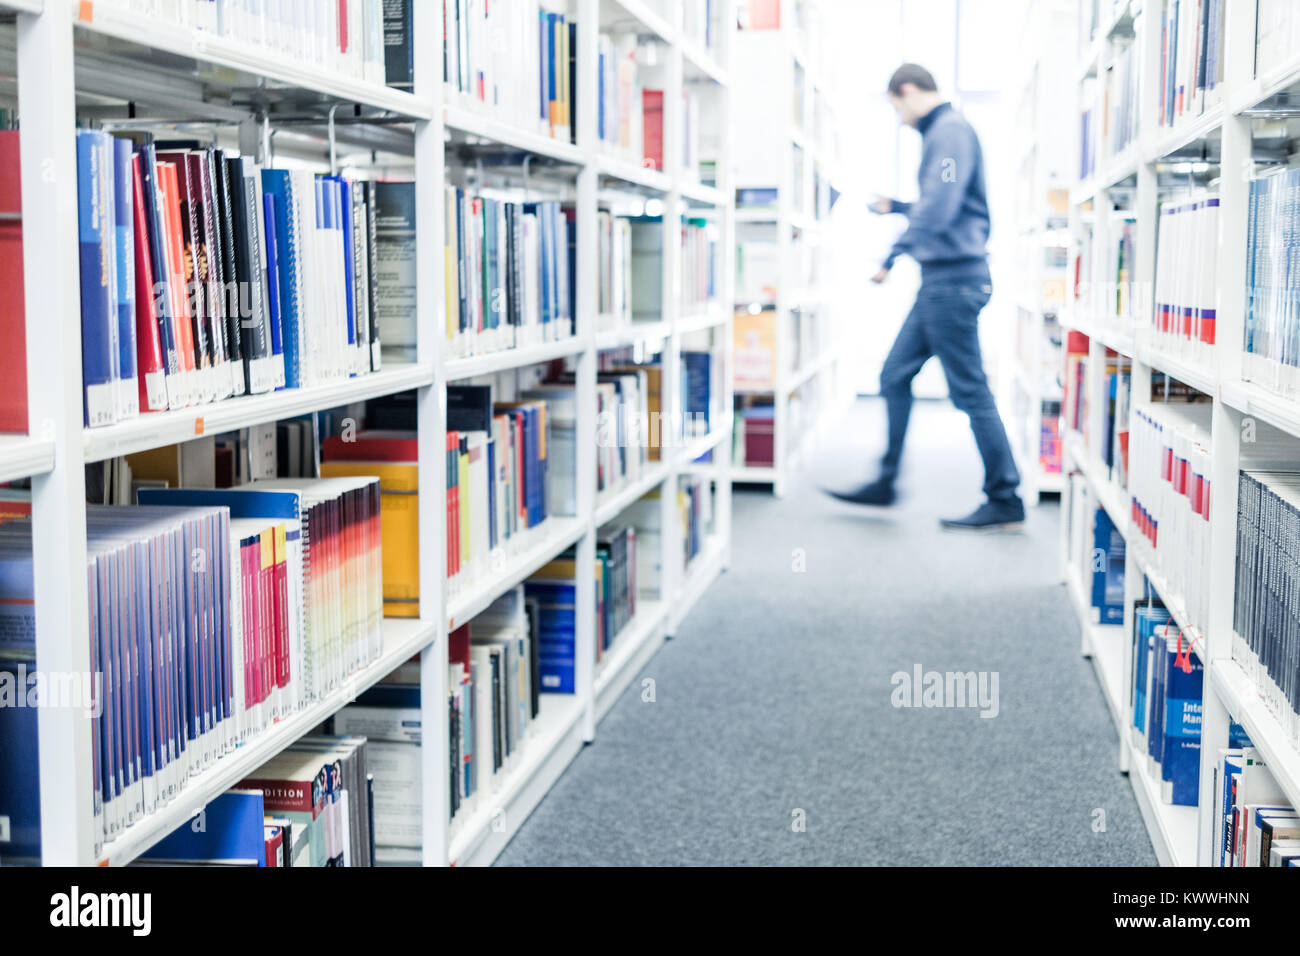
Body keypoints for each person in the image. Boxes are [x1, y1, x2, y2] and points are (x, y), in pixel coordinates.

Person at [827, 63, 1024, 531]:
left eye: (897, 106)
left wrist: (891, 255)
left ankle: (1005, 497)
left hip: (953, 283)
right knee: (894, 374)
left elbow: (940, 207)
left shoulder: (950, 133)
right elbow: (944, 203)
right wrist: (895, 207)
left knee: (970, 390)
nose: (898, 118)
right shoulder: (949, 133)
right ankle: (886, 480)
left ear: (910, 91)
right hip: (944, 281)